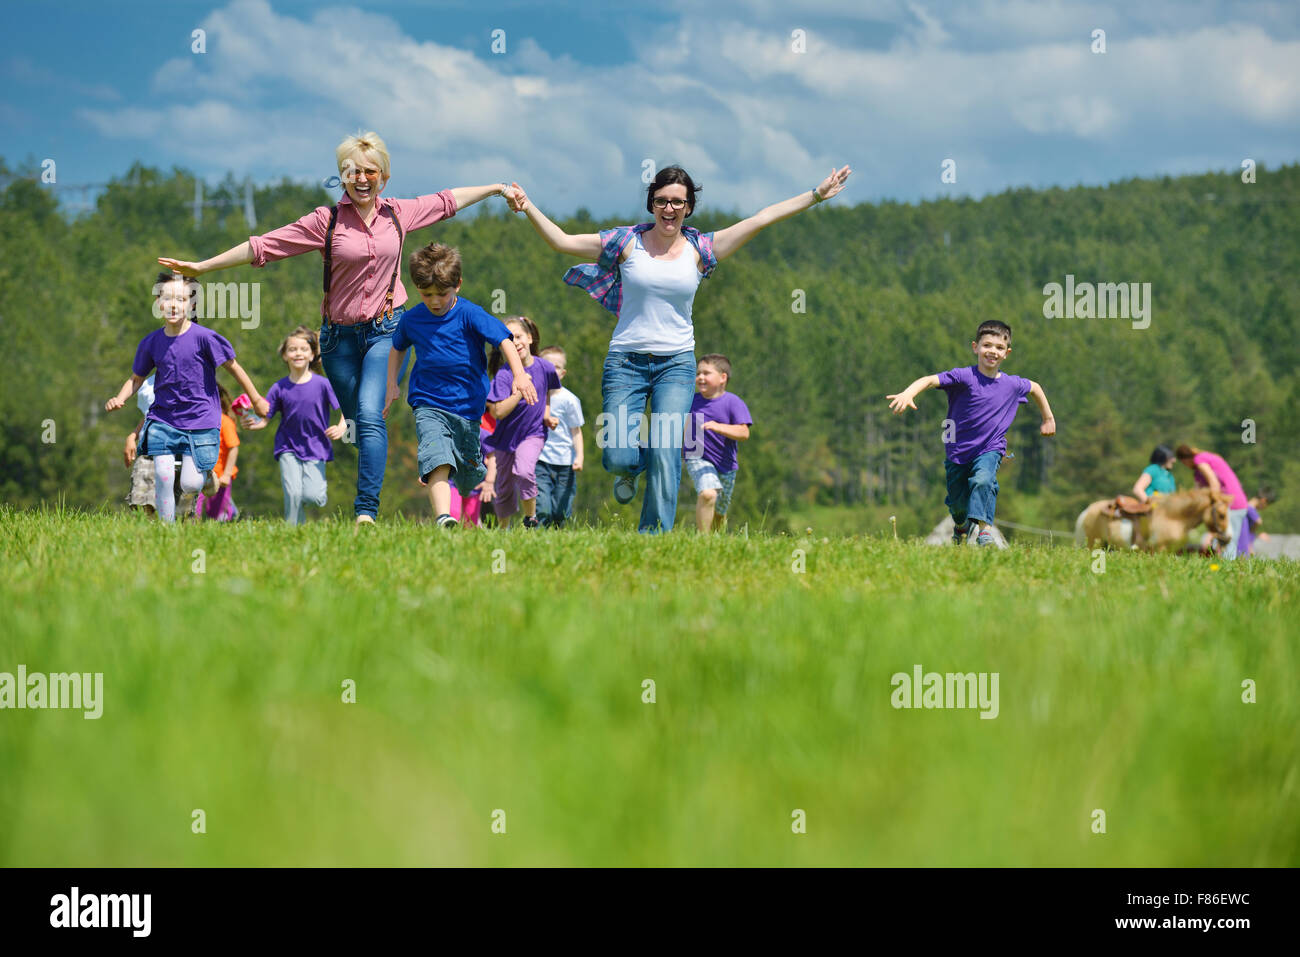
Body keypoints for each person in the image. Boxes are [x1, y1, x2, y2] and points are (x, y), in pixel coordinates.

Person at [158, 131, 515, 526]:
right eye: (352, 172)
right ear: (342, 177)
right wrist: (203, 266)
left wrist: (498, 189)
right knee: (361, 424)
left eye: (370, 172)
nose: (361, 179)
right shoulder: (324, 222)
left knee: (370, 413)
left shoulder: (400, 213)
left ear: (384, 177)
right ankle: (367, 500)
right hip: (337, 341)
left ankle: (365, 513)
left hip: (386, 330)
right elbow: (264, 246)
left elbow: (449, 201)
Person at [502, 163, 852, 533]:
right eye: (662, 201)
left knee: (667, 449)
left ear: (688, 207)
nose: (669, 209)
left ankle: (653, 536)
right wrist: (528, 207)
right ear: (652, 203)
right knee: (618, 455)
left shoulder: (701, 248)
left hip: (676, 365)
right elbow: (561, 241)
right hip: (625, 362)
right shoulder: (625, 242)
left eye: (678, 202)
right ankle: (634, 468)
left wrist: (815, 195)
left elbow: (761, 218)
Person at [383, 244, 536, 528]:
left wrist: (520, 375)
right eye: (427, 294)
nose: (435, 301)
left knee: (467, 475)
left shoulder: (470, 314)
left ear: (458, 285)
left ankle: (469, 470)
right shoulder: (413, 318)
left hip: (468, 407)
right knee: (437, 457)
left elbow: (503, 340)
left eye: (442, 294)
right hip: (427, 403)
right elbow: (397, 347)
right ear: (417, 288)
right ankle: (444, 517)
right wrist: (392, 383)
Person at [105, 273, 268, 523]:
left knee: (191, 484)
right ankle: (166, 531)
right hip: (163, 418)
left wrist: (256, 399)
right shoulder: (151, 342)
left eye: (180, 299)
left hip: (201, 420)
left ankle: (207, 478)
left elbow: (234, 367)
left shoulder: (205, 338)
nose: (172, 304)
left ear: (191, 305)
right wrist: (120, 397)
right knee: (163, 474)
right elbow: (136, 378)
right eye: (166, 298)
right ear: (158, 302)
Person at [886, 320, 1056, 546]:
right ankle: (961, 525)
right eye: (987, 345)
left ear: (1007, 353)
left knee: (983, 479)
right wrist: (909, 393)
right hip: (957, 448)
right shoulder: (964, 376)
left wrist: (1048, 418)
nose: (992, 351)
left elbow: (1035, 387)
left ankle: (984, 531)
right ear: (975, 347)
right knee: (957, 505)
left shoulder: (1012, 384)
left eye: (999, 347)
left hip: (990, 448)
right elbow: (929, 380)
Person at [247, 326, 346, 524]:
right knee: (292, 493)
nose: (298, 353)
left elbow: (345, 406)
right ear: (285, 355)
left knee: (313, 498)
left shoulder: (322, 384)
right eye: (292, 349)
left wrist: (342, 427)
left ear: (311, 355)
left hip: (316, 447)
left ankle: (315, 495)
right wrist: (256, 423)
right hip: (287, 446)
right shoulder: (279, 387)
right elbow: (267, 416)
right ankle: (293, 531)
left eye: (303, 349)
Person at [485, 317, 561, 529]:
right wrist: (518, 394)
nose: (515, 342)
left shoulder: (545, 367)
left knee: (524, 471)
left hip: (533, 434)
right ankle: (503, 528)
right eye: (508, 339)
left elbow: (547, 392)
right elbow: (498, 412)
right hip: (505, 440)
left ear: (529, 338)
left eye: (518, 336)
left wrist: (546, 414)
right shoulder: (503, 375)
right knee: (505, 488)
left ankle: (530, 518)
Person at [683, 354, 751, 534]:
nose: (700, 377)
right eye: (698, 373)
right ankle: (703, 542)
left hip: (726, 466)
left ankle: (714, 541)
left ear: (723, 378)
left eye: (706, 373)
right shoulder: (690, 401)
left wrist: (718, 427)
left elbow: (744, 433)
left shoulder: (733, 402)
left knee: (719, 512)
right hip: (697, 457)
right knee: (708, 494)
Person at [534, 346, 585, 527]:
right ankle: (538, 533)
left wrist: (579, 457)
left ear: (563, 373)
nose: (552, 370)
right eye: (547, 365)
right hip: (540, 460)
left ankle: (557, 533)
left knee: (561, 510)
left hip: (565, 462)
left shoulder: (569, 400)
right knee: (543, 506)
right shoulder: (534, 396)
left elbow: (576, 431)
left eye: (556, 367)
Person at [1175, 444, 1249, 559]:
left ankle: (1227, 568)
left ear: (1185, 459)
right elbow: (1198, 490)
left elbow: (1214, 483)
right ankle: (1223, 564)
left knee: (1228, 540)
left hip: (1230, 503)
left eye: (1184, 463)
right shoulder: (1205, 462)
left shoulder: (1199, 459)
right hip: (1237, 502)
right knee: (1225, 539)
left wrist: (1215, 503)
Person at [194, 384, 241, 521]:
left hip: (220, 476)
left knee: (217, 513)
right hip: (198, 474)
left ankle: (231, 515)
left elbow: (233, 448)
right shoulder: (195, 421)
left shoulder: (224, 422)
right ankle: (192, 531)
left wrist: (226, 474)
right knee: (193, 509)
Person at [123, 373, 159, 515]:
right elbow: (148, 416)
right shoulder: (149, 384)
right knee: (140, 502)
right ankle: (145, 533)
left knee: (179, 507)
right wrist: (132, 437)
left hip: (176, 452)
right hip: (147, 451)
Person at [1236, 487, 1275, 558]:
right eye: (1267, 505)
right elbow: (1258, 521)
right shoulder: (1249, 508)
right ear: (1263, 500)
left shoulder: (1245, 508)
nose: (1265, 508)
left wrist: (1257, 535)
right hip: (1242, 547)